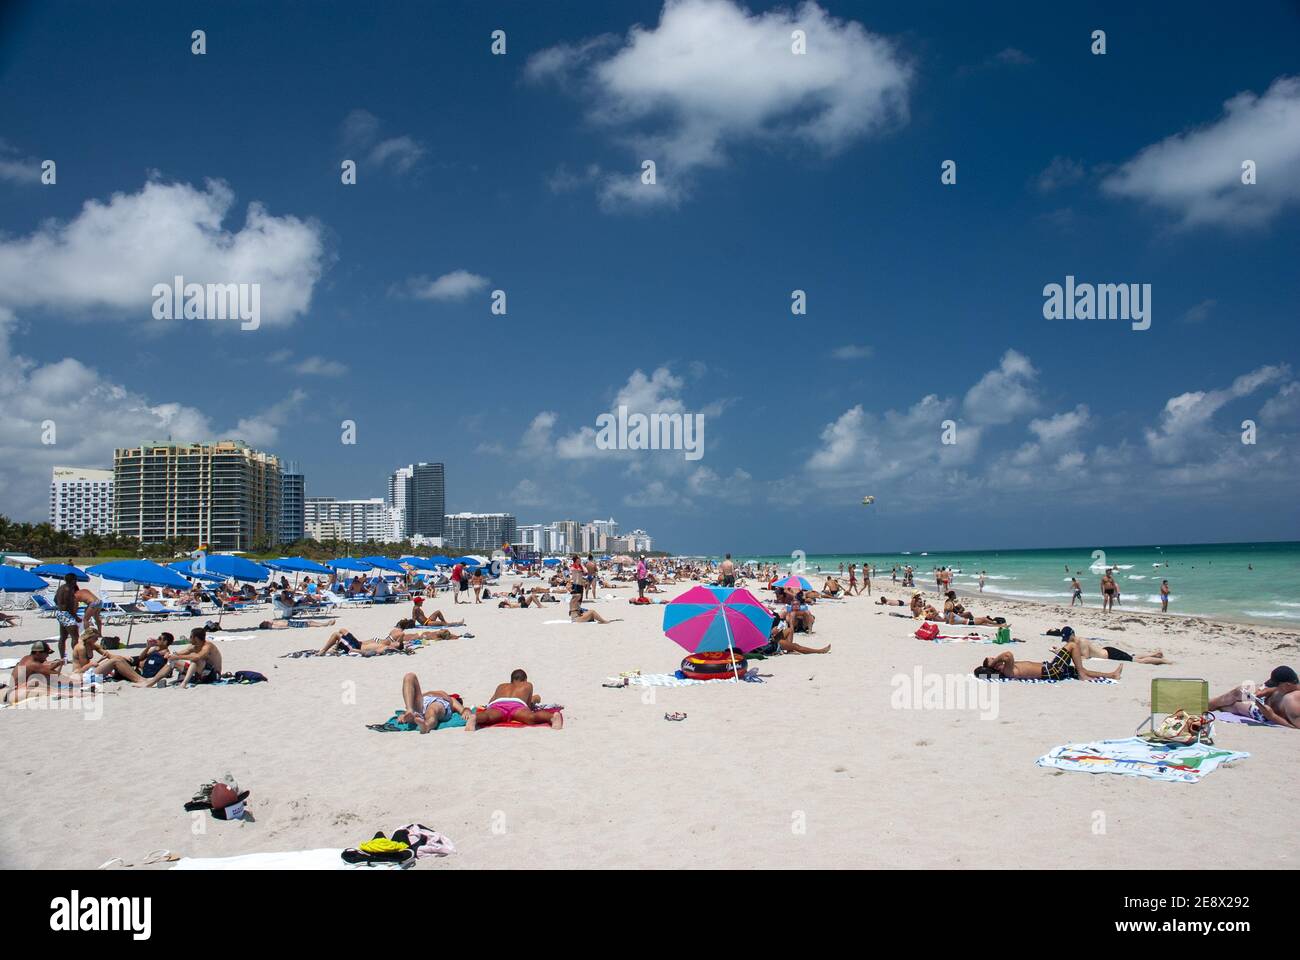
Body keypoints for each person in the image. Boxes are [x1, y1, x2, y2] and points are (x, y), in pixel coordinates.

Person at [974, 641, 1124, 681]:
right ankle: (1081, 674)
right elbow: (1008, 654)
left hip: (1051, 670)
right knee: (1072, 645)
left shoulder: (1007, 668)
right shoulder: (1006, 671)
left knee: (1081, 669)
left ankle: (1111, 675)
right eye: (992, 659)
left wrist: (992, 664)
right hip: (1051, 671)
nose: (995, 658)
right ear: (993, 666)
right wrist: (993, 664)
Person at [466, 669, 562, 730]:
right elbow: (528, 706)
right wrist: (535, 699)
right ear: (525, 679)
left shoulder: (501, 686)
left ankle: (475, 718)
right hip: (516, 705)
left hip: (499, 704)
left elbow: (490, 703)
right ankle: (552, 717)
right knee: (532, 717)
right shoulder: (527, 685)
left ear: (511, 680)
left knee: (488, 717)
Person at [1208, 666, 1300, 728]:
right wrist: (1265, 692)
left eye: (1277, 684)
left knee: (1233, 705)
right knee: (1238, 691)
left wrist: (1271, 715)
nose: (1275, 686)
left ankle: (1206, 706)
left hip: (1265, 713)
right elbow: (1276, 688)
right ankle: (1208, 704)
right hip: (1266, 700)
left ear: (1287, 684)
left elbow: (1294, 726)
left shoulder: (1292, 701)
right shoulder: (1290, 685)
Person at [145, 627, 223, 687]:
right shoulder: (194, 646)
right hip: (199, 673)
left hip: (212, 675)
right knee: (173, 661)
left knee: (195, 659)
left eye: (191, 636)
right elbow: (180, 653)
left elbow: (197, 657)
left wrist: (178, 657)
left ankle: (184, 683)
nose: (189, 638)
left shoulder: (207, 646)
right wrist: (171, 655)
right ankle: (151, 682)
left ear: (195, 638)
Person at [396, 674, 468, 733]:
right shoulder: (431, 694)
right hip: (422, 702)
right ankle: (410, 710)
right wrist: (405, 714)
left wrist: (465, 711)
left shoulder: (451, 699)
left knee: (432, 710)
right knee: (410, 676)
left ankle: (426, 725)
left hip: (439, 702)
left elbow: (463, 710)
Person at [1057, 627, 1169, 664]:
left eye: (1067, 639)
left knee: (1136, 661)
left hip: (1110, 654)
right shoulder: (1075, 642)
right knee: (1131, 656)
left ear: (1072, 634)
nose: (1066, 642)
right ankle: (1155, 654)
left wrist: (1069, 656)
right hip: (1107, 651)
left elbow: (1085, 657)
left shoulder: (1082, 642)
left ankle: (1163, 661)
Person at [53, 573, 80, 658]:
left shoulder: (61, 588)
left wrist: (61, 605)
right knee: (75, 636)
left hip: (60, 612)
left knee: (63, 637)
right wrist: (75, 616)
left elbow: (55, 600)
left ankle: (62, 658)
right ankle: (77, 657)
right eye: (76, 580)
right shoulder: (68, 589)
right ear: (73, 580)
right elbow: (69, 606)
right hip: (66, 613)